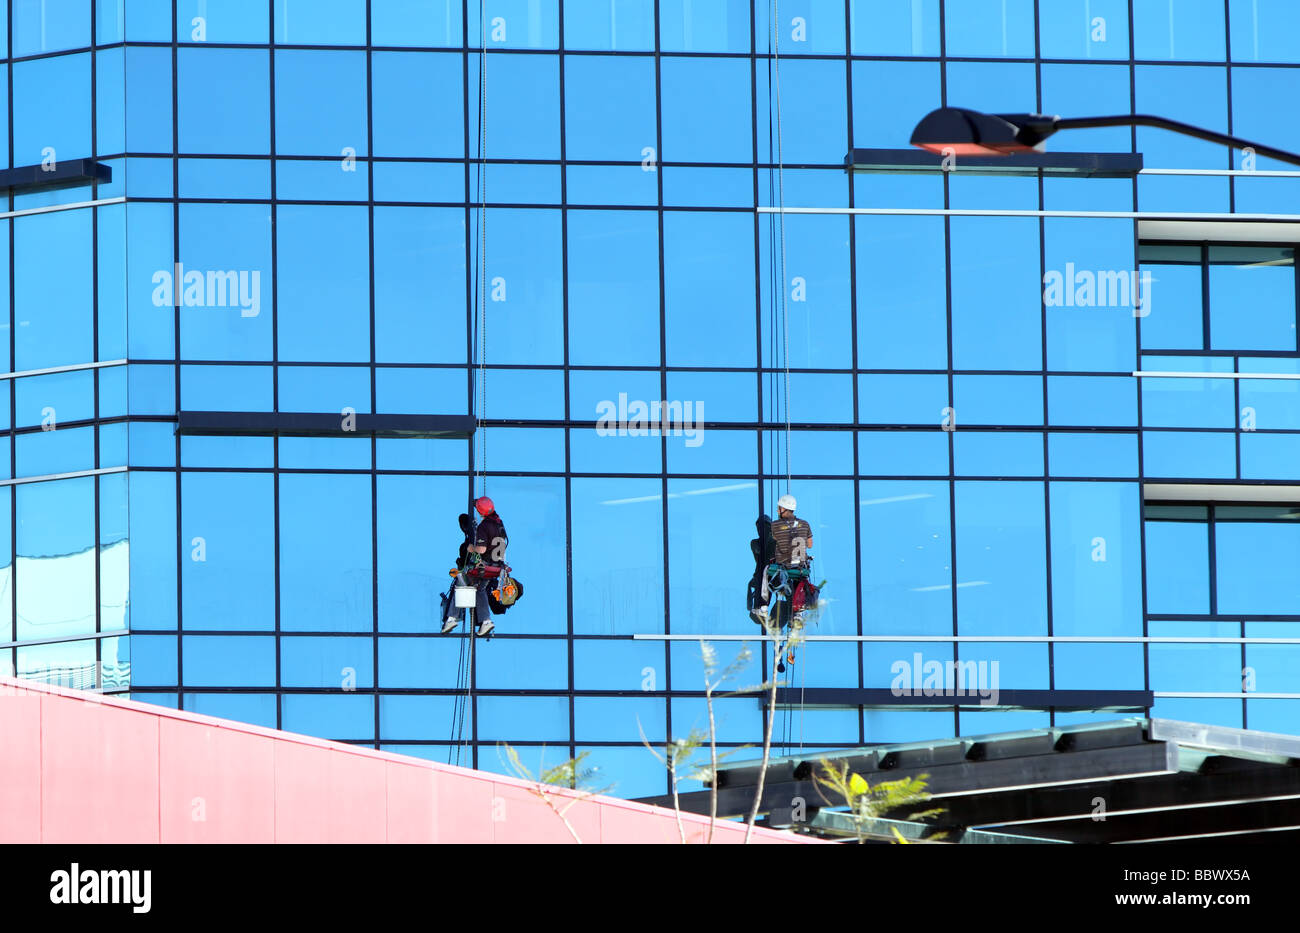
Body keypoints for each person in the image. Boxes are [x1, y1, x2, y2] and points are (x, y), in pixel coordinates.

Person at [441, 496, 508, 636]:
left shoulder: (485, 526)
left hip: (485, 566)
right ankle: (486, 621)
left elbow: (482, 549)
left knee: (461, 581)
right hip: (496, 567)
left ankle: (451, 619)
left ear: (481, 511)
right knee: (480, 589)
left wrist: (472, 548)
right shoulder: (499, 524)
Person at [751, 493, 814, 626]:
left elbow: (774, 542)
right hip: (800, 570)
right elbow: (809, 544)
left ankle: (763, 607)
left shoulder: (776, 526)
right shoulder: (805, 524)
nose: (778, 510)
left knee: (765, 573)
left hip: (783, 568)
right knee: (799, 582)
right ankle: (798, 614)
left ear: (784, 509)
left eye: (779, 508)